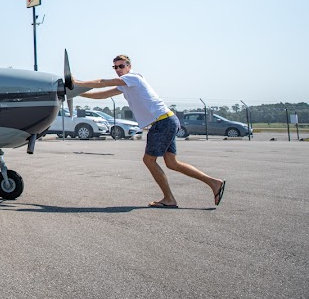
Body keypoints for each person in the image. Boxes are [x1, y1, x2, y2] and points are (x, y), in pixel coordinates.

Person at [73, 55, 225, 208]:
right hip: (167, 120)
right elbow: (102, 94)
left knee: (149, 160)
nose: (118, 69)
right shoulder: (125, 84)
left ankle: (169, 199)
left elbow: (102, 83)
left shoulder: (133, 77)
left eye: (121, 66)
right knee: (172, 163)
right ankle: (214, 183)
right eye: (115, 67)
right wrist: (78, 92)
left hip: (163, 122)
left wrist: (77, 82)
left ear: (129, 66)